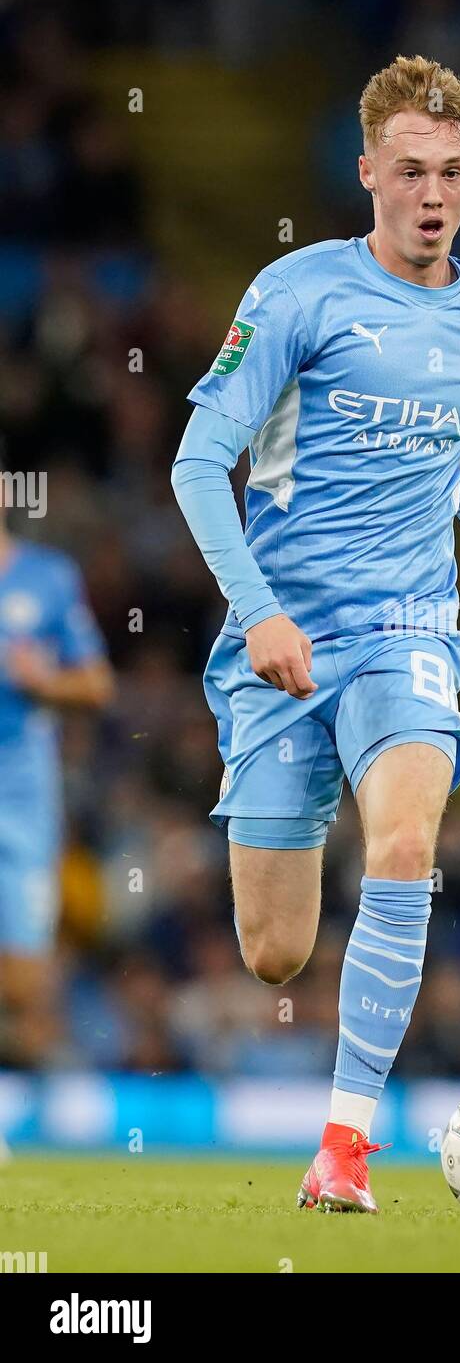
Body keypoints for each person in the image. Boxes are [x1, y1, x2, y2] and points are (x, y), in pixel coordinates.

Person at [172, 54, 460, 1211]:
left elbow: (456, 437)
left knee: (403, 848)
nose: (431, 194)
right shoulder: (297, 294)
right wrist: (261, 613)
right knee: (276, 950)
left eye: (450, 173)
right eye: (408, 173)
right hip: (285, 635)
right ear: (367, 174)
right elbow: (199, 464)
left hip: (409, 627)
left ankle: (344, 1149)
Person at [0, 482, 113, 1159]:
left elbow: (97, 683)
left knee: (23, 972)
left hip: (20, 791)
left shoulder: (47, 577)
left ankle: (35, 1114)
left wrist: (44, 679)